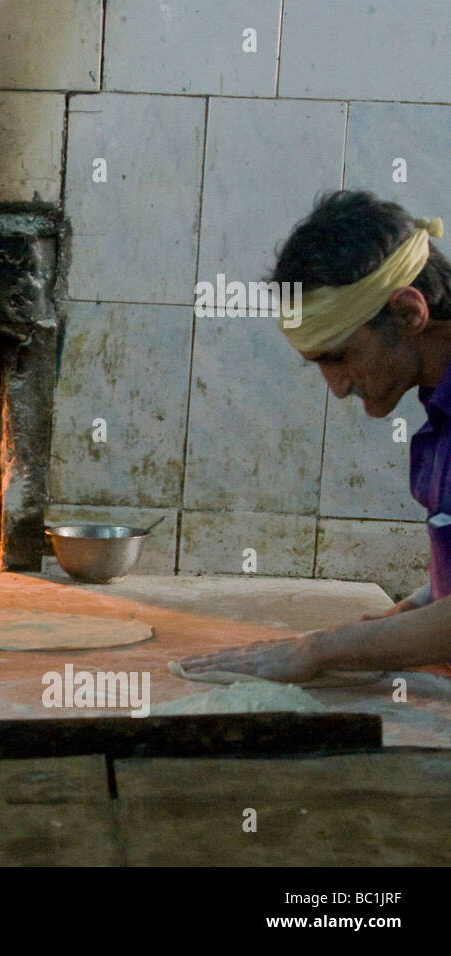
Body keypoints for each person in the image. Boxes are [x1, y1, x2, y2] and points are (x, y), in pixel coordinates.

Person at [178, 191, 451, 683]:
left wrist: (323, 649)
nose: (338, 387)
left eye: (339, 357)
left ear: (409, 314)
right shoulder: (440, 413)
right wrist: (396, 619)